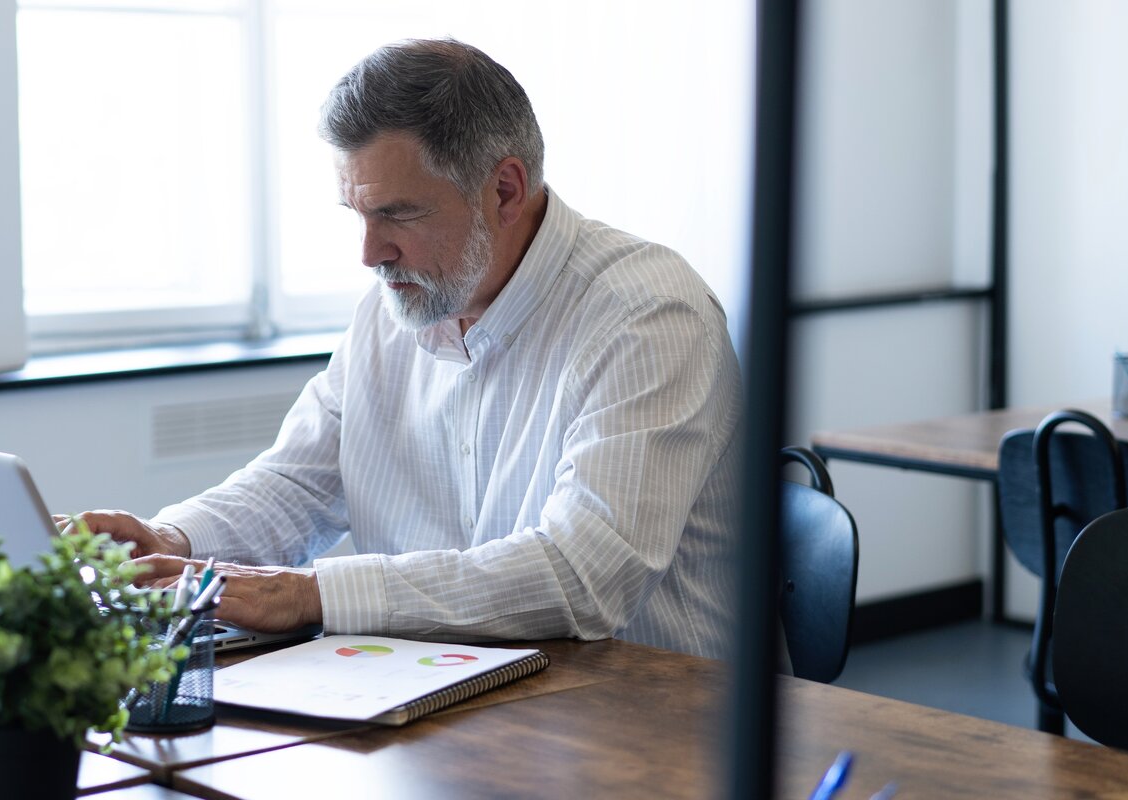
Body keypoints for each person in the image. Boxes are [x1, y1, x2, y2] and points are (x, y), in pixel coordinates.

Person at [67, 38, 741, 658]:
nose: (369, 253)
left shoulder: (648, 315)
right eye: (357, 214)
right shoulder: (397, 308)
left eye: (397, 213)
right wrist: (175, 543)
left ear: (504, 190)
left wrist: (311, 594)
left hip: (656, 727)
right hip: (452, 693)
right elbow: (296, 482)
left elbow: (585, 575)